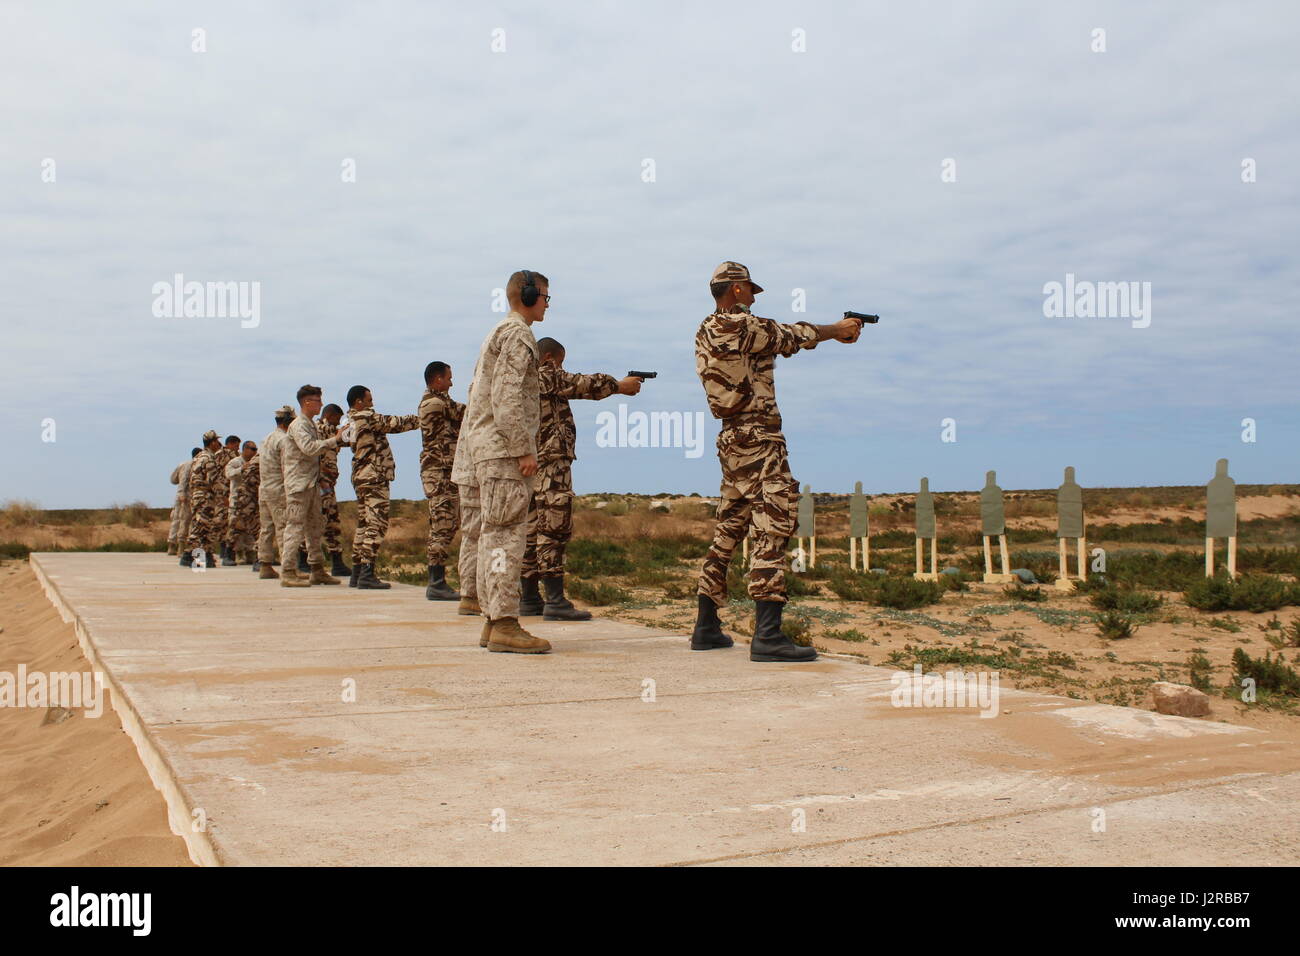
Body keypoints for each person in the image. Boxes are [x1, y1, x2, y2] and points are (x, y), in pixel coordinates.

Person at [692, 261, 861, 662]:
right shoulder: (740, 325)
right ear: (735, 290)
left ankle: (707, 625)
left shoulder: (705, 329)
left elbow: (777, 340)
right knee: (775, 522)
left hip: (733, 440)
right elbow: (791, 334)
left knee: (729, 528)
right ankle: (767, 634)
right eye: (750, 290)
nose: (753, 297)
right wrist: (837, 331)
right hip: (758, 437)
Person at [451, 269, 547, 654]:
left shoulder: (497, 332)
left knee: (493, 536)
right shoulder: (519, 335)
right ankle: (506, 622)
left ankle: (493, 620)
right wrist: (523, 448)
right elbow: (506, 398)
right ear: (527, 295)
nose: (546, 303)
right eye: (544, 296)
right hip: (504, 452)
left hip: (486, 451)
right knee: (507, 539)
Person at [520, 338, 641, 620]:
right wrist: (620, 386)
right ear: (549, 357)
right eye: (560, 362)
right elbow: (583, 383)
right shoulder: (545, 373)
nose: (562, 368)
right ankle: (555, 601)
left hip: (533, 465)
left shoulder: (524, 380)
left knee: (530, 531)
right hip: (551, 465)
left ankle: (529, 598)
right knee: (553, 530)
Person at [345, 386, 418, 589]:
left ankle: (357, 572)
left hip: (360, 476)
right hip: (374, 476)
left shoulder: (349, 421)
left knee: (364, 524)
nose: (372, 404)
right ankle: (367, 573)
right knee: (376, 524)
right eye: (369, 400)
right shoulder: (365, 417)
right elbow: (394, 423)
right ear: (358, 402)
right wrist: (420, 418)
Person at [281, 385, 344, 588]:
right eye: (317, 400)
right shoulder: (299, 425)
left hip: (311, 483)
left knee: (314, 528)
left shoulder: (310, 425)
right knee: (295, 527)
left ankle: (317, 569)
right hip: (299, 485)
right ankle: (288, 571)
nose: (321, 404)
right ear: (307, 402)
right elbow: (309, 449)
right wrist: (334, 440)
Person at [418, 361, 465, 601]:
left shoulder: (441, 402)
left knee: (448, 524)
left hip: (446, 472)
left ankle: (438, 581)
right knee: (442, 526)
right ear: (437, 380)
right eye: (448, 378)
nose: (451, 382)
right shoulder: (435, 403)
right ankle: (435, 583)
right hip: (439, 472)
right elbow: (465, 413)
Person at [256, 406, 295, 579]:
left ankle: (265, 565)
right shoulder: (285, 440)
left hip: (264, 489)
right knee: (283, 528)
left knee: (266, 529)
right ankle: (289, 568)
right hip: (279, 489)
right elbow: (287, 466)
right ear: (288, 421)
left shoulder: (266, 439)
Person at [316, 403, 350, 578]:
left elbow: (343, 440)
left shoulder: (329, 430)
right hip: (319, 485)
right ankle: (304, 560)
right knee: (316, 522)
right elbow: (313, 452)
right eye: (336, 419)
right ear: (329, 415)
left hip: (329, 486)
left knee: (332, 522)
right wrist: (322, 471)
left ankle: (337, 562)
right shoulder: (320, 429)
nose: (337, 423)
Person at [184, 430, 223, 568]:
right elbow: (213, 480)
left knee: (200, 526)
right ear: (212, 443)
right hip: (205, 496)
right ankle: (196, 559)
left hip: (196, 496)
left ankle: (199, 556)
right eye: (217, 442)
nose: (219, 444)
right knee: (202, 528)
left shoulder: (198, 457)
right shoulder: (209, 459)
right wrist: (223, 495)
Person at [225, 440, 258, 564]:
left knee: (251, 527)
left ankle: (250, 553)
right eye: (253, 449)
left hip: (250, 500)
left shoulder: (255, 462)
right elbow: (228, 474)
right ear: (245, 449)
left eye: (256, 449)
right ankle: (232, 553)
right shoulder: (235, 462)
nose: (255, 452)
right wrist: (241, 469)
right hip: (237, 499)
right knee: (234, 527)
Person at [167, 448, 200, 555]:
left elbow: (173, 480)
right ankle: (177, 546)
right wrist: (182, 493)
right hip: (185, 496)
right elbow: (183, 480)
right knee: (182, 520)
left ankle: (173, 546)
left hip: (187, 495)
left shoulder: (183, 464)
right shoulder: (189, 465)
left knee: (178, 520)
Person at [215, 435, 241, 566]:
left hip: (230, 491)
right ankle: (225, 551)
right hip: (224, 492)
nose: (237, 448)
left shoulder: (236, 455)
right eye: (236, 445)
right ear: (230, 444)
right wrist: (221, 495)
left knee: (230, 523)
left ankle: (234, 552)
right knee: (224, 522)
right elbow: (218, 475)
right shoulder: (221, 455)